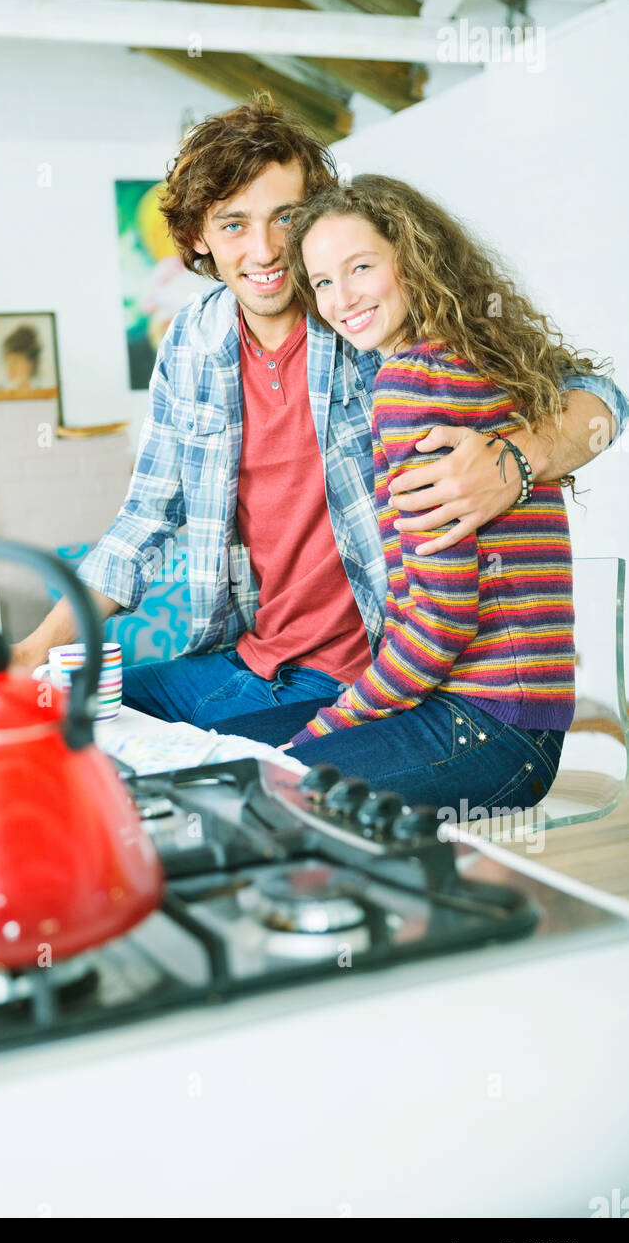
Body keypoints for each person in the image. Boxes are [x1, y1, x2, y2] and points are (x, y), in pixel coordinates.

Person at [0, 100, 626, 762]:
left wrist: (517, 459)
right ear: (197, 237)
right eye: (233, 224)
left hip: (371, 675)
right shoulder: (190, 344)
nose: (266, 250)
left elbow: (601, 399)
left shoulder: (369, 321)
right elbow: (143, 522)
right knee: (64, 723)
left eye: (286, 218)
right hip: (252, 660)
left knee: (213, 786)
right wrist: (30, 649)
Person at [210, 176, 605, 810]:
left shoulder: (411, 386)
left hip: (491, 725)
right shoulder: (481, 359)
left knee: (252, 794)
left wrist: (323, 730)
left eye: (360, 267)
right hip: (502, 713)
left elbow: (441, 620)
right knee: (221, 761)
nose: (341, 298)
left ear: (412, 259)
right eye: (323, 282)